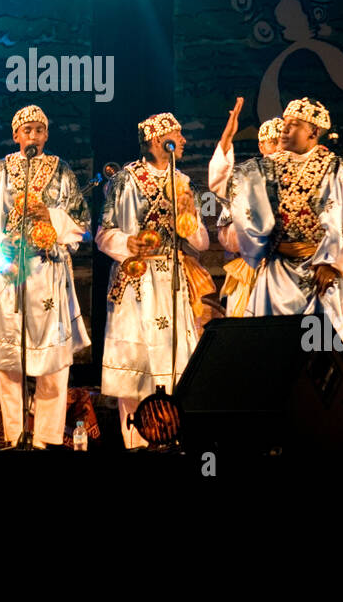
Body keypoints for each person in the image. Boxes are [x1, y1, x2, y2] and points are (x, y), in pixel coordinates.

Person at [0, 105, 90, 447]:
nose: (33, 136)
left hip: (47, 270)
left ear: (47, 135)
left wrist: (49, 215)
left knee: (51, 364)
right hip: (8, 271)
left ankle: (46, 440)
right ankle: (14, 435)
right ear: (16, 136)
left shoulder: (62, 170)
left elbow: (81, 223)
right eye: (27, 130)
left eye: (39, 130)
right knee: (9, 362)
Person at [226, 97, 343, 353]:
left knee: (322, 354)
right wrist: (225, 144)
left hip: (320, 276)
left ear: (314, 132)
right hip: (275, 274)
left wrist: (335, 265)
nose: (284, 129)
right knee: (273, 352)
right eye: (285, 123)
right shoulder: (267, 168)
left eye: (294, 124)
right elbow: (233, 201)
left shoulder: (335, 169)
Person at [97, 112, 212, 448]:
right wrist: (126, 243)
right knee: (135, 362)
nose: (185, 141)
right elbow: (103, 234)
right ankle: (135, 440)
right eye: (178, 134)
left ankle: (172, 435)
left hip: (171, 279)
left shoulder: (184, 183)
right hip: (135, 277)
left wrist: (188, 219)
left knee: (173, 357)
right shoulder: (124, 180)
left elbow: (201, 242)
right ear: (157, 139)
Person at [208, 99, 283, 317]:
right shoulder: (247, 176)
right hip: (253, 269)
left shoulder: (303, 178)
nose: (279, 148)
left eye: (283, 143)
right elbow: (219, 181)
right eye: (273, 142)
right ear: (261, 146)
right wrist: (227, 138)